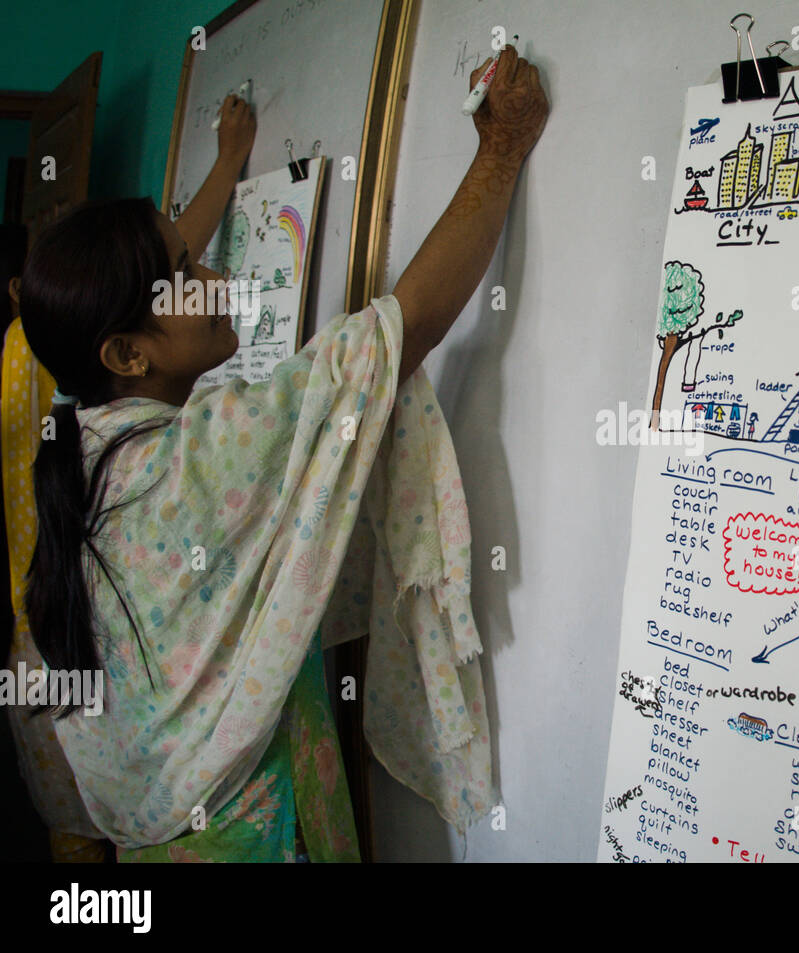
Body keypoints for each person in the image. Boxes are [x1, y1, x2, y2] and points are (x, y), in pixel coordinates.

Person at [18, 46, 547, 862]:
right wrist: (503, 149)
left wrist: (230, 160)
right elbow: (401, 332)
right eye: (187, 270)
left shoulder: (83, 452)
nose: (217, 270)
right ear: (126, 354)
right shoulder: (193, 462)